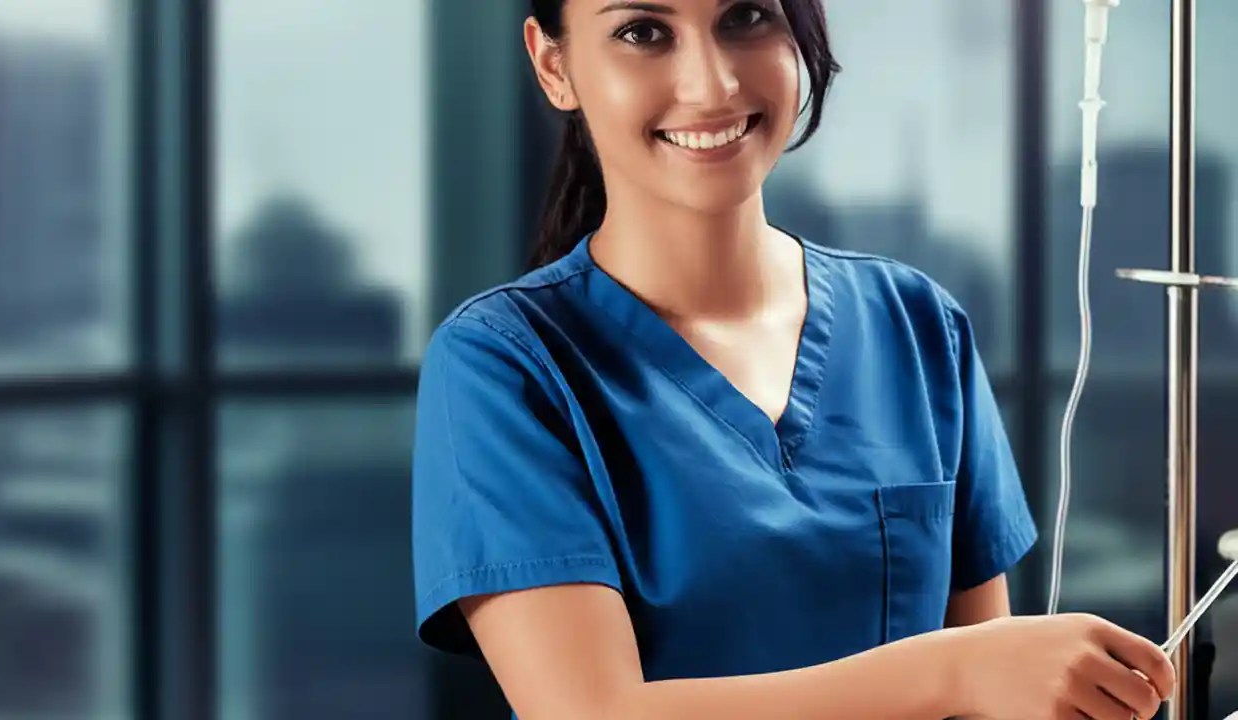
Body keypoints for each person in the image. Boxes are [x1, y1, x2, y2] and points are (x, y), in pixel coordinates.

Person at [410, 1, 1177, 718]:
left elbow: (994, 698)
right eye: (643, 31)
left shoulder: (918, 326)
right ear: (555, 66)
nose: (712, 84)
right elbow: (590, 713)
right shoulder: (506, 365)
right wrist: (959, 669)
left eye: (746, 16)